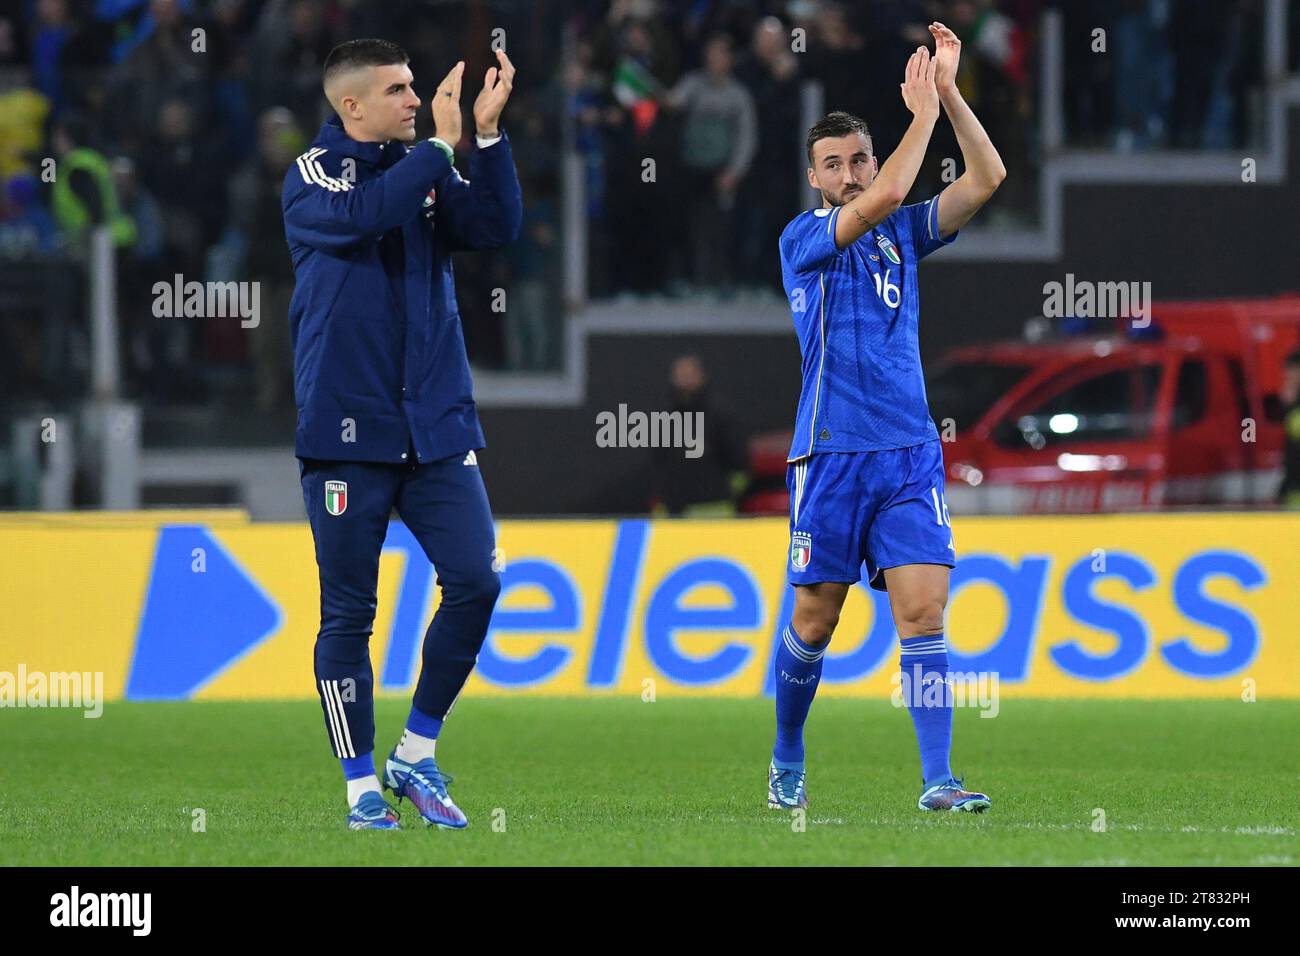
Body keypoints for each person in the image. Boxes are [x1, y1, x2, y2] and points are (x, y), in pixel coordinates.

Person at [281, 38, 521, 830]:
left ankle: (415, 752)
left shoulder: (424, 167)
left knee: (478, 581)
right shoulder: (315, 176)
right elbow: (365, 217)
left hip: (435, 429)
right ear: (351, 106)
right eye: (398, 89)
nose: (416, 99)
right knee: (349, 615)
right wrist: (439, 151)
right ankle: (359, 789)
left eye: (415, 87)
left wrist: (483, 139)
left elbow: (492, 225)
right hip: (346, 434)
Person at [769, 23, 1005, 814]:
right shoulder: (804, 240)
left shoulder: (902, 235)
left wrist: (948, 96)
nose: (848, 174)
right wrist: (920, 120)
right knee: (815, 617)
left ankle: (938, 780)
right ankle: (788, 749)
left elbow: (988, 175)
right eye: (832, 165)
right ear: (814, 179)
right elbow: (888, 197)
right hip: (830, 455)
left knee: (923, 610)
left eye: (858, 160)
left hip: (908, 454)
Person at [1278, 349, 1300, 509]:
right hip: (1293, 483)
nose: (1287, 376)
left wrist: (1290, 406)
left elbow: (1296, 427)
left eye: (1291, 371)